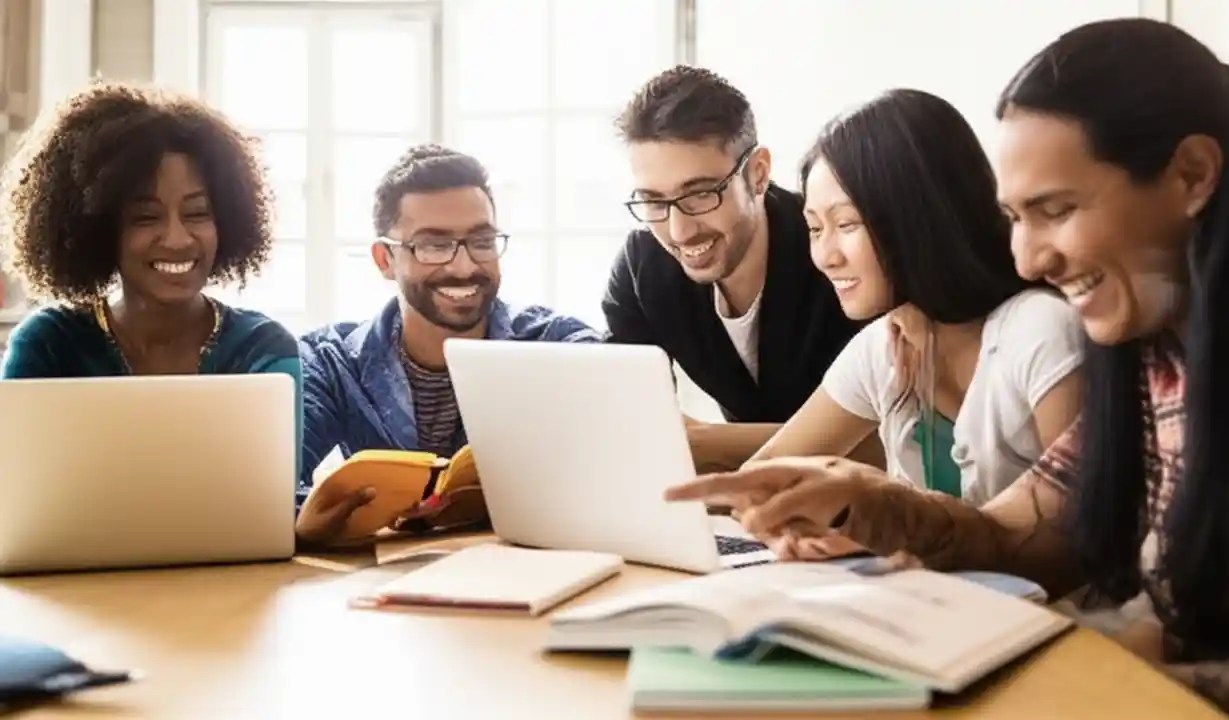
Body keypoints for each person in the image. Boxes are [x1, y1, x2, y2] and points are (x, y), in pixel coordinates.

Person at [664, 19, 1229, 718]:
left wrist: (1121, 681)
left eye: (1056, 210)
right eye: (1017, 217)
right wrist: (871, 505)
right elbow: (1028, 538)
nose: (1028, 260)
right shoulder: (1149, 355)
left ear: (1191, 175)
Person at [739, 89, 1083, 518]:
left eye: (846, 224)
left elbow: (1074, 537)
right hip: (927, 587)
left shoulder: (1040, 328)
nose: (826, 255)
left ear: (914, 216)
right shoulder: (883, 346)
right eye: (814, 228)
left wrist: (876, 508)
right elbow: (759, 481)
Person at [295, 144, 599, 546]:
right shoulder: (330, 362)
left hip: (527, 570)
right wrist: (310, 518)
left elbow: (624, 468)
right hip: (384, 586)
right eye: (433, 246)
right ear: (385, 260)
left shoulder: (557, 344)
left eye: (482, 241)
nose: (464, 266)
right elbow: (269, 489)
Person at [604, 66, 868, 471]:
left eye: (700, 194)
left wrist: (704, 441)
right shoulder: (643, 268)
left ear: (758, 173)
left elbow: (889, 440)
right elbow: (632, 427)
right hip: (750, 510)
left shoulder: (837, 254)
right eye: (654, 202)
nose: (679, 231)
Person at [0, 82, 300, 410]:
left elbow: (276, 464)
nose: (177, 239)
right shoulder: (50, 344)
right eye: (146, 217)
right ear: (101, 229)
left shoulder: (261, 348)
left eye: (197, 213)